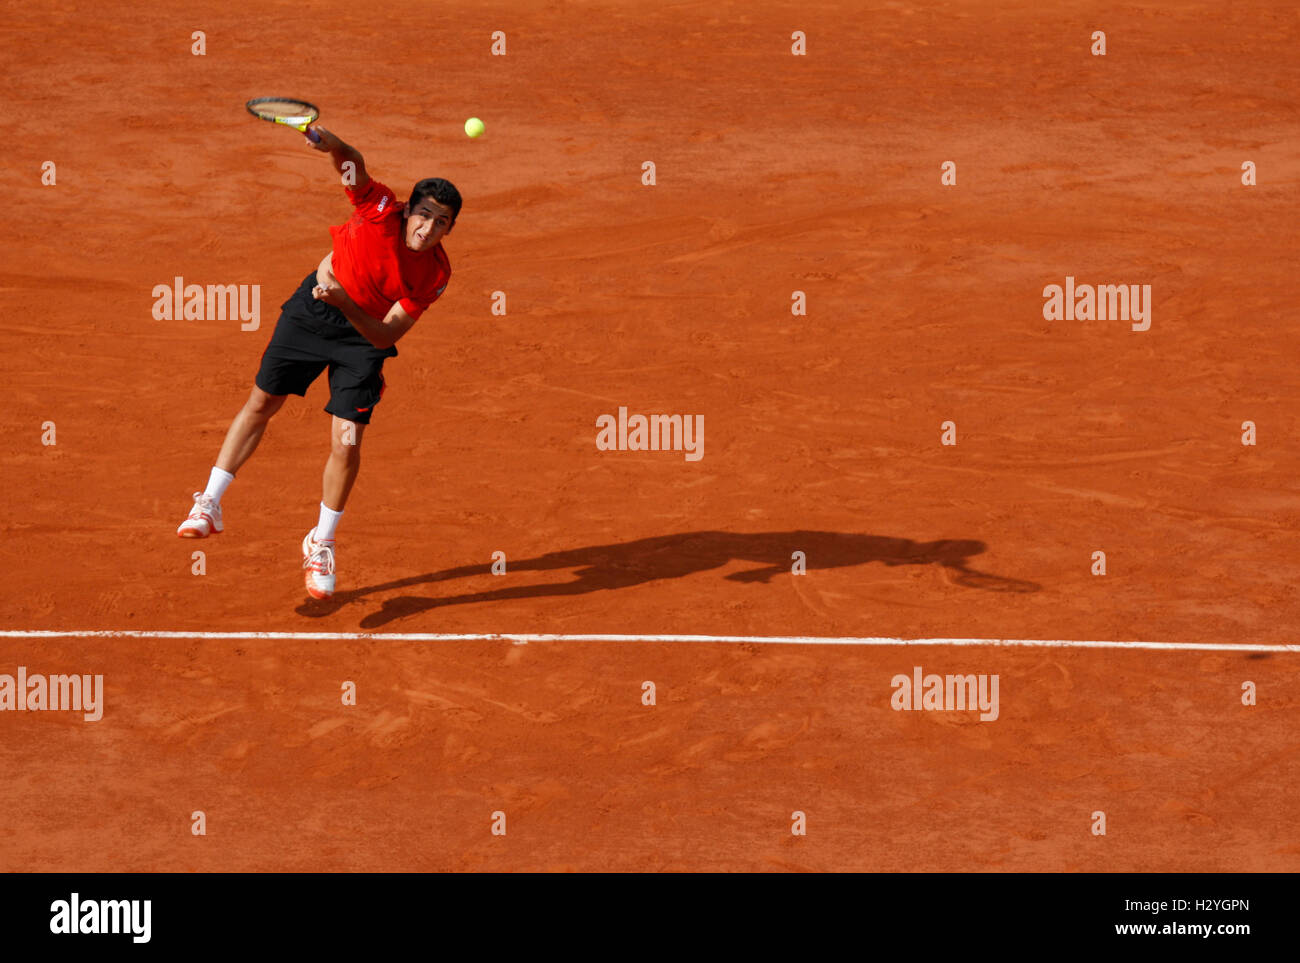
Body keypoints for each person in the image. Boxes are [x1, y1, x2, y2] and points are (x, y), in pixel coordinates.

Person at [176, 125, 460, 601]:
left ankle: (321, 543)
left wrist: (347, 302)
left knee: (346, 443)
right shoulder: (380, 209)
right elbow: (354, 165)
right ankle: (210, 504)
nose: (427, 229)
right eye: (424, 215)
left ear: (449, 229)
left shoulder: (436, 274)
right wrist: (333, 146)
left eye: (441, 223)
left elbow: (387, 333)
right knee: (263, 403)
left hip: (362, 338)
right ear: (408, 210)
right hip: (311, 312)